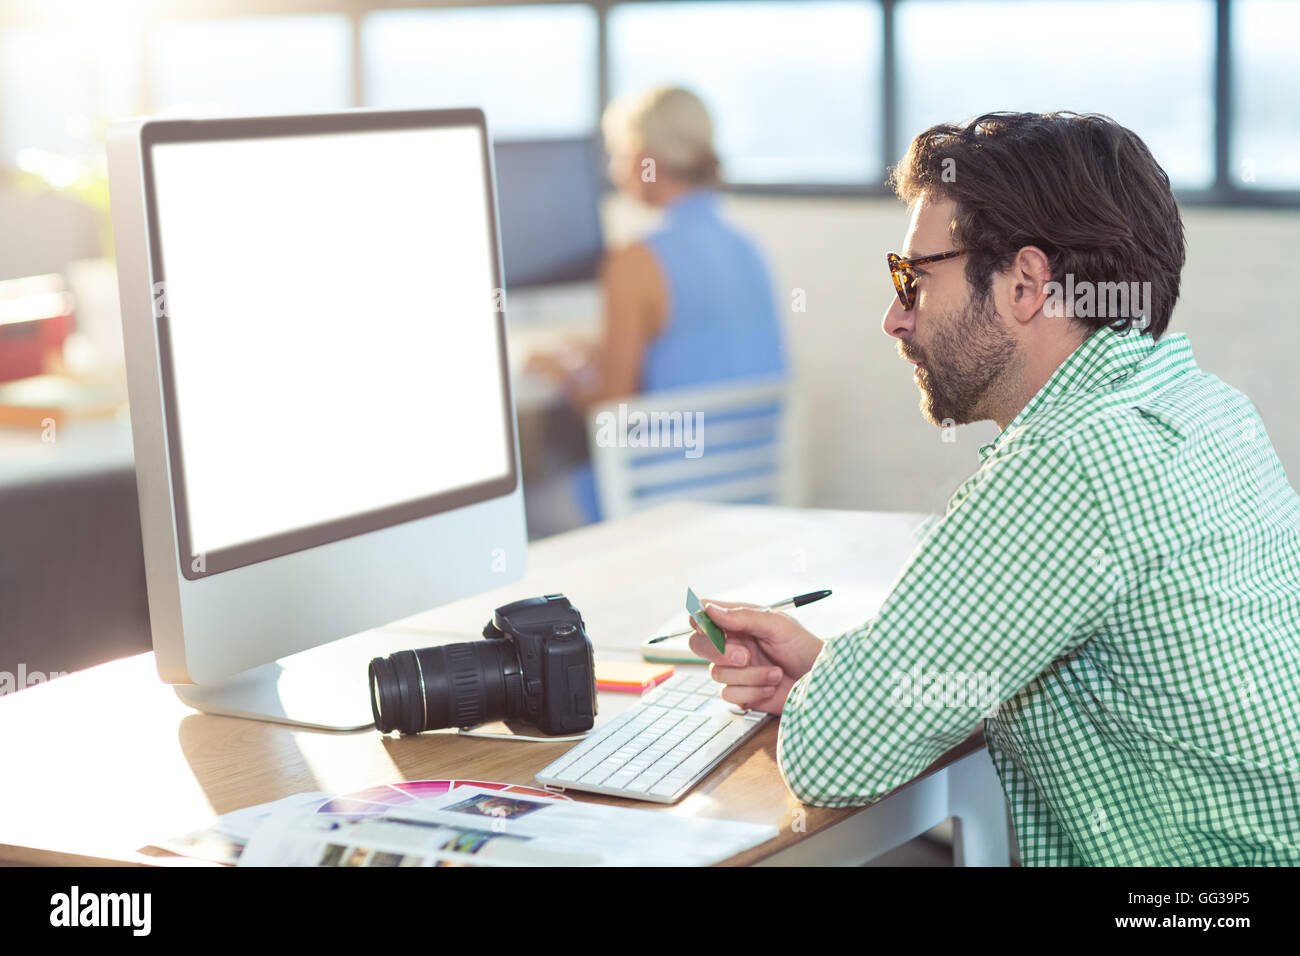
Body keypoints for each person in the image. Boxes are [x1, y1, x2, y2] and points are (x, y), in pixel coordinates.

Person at [690, 112, 1300, 866]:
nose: (894, 317)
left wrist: (843, 693)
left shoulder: (1070, 462)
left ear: (1025, 283)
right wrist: (837, 670)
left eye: (913, 278)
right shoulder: (1201, 407)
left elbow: (830, 756)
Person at [525, 86, 787, 522]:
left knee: (528, 508)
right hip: (751, 493)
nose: (614, 168)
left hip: (663, 500)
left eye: (618, 153)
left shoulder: (634, 262)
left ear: (647, 157)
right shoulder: (748, 249)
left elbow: (610, 407)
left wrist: (562, 373)